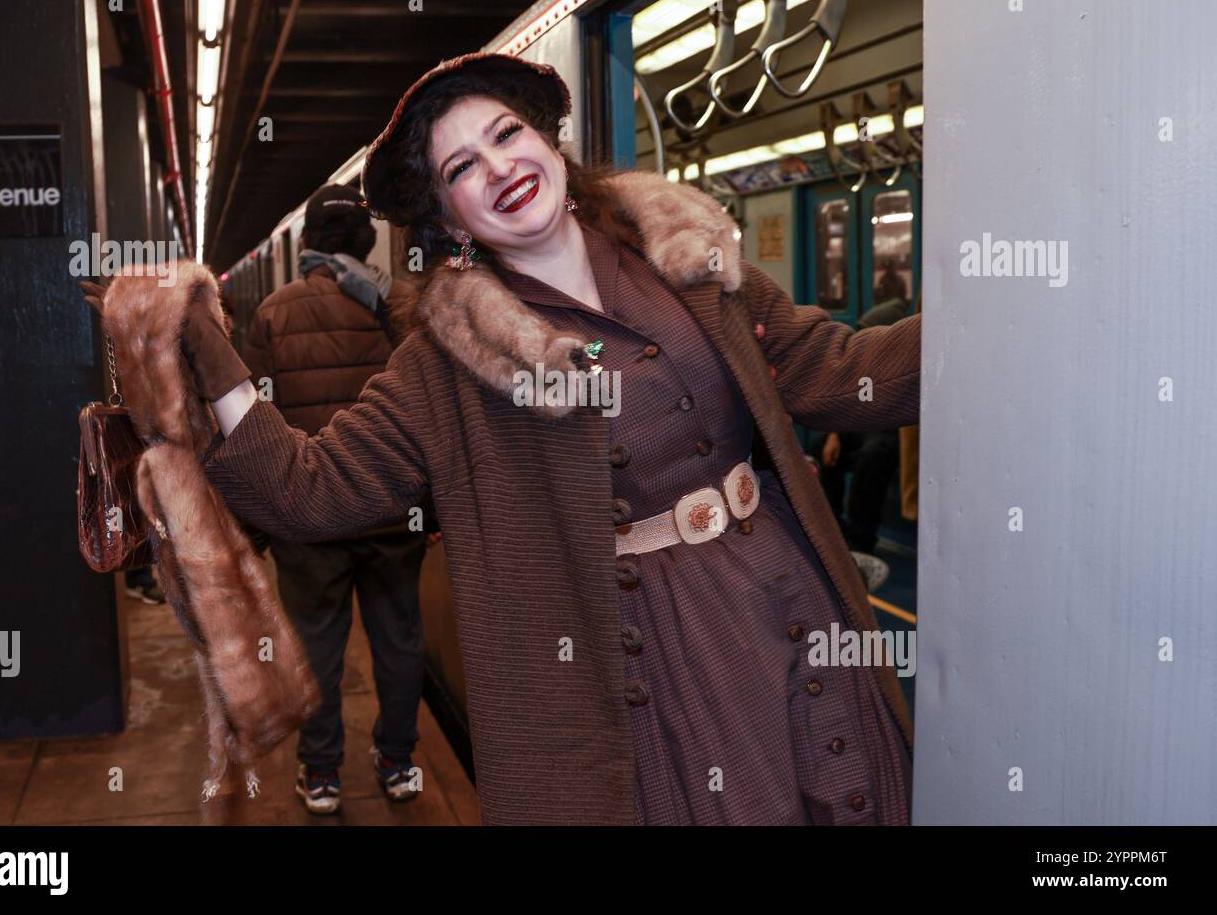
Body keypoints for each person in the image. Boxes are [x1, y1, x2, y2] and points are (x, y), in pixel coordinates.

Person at [83, 52, 922, 825]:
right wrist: (208, 351)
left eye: (506, 134)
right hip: (657, 653)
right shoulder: (446, 368)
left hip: (787, 592)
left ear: (548, 142)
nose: (499, 169)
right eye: (462, 169)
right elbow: (311, 490)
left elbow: (834, 366)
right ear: (448, 216)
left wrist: (992, 322)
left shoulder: (686, 261)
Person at [241, 184, 432, 813]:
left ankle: (320, 775)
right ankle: (399, 761)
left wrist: (261, 516)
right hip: (388, 514)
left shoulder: (273, 313)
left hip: (307, 517)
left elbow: (250, 424)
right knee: (399, 641)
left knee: (317, 646)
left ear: (310, 244)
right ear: (364, 243)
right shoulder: (397, 312)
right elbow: (426, 419)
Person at [809, 268, 913, 574]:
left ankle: (860, 541)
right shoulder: (866, 368)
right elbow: (846, 401)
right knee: (821, 446)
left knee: (874, 455)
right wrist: (834, 436)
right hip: (867, 426)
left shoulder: (904, 368)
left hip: (896, 433)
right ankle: (831, 532)